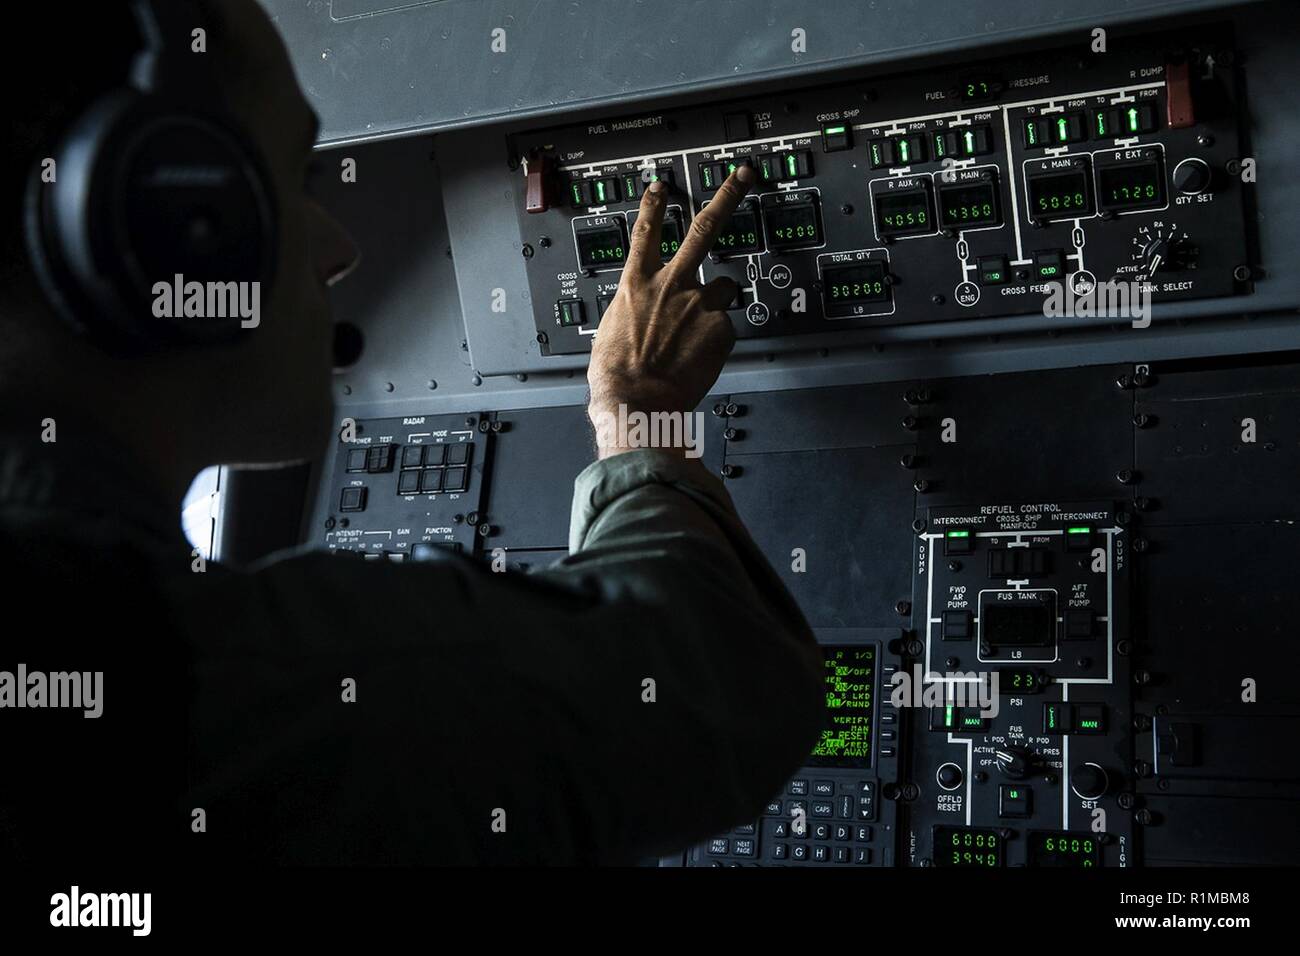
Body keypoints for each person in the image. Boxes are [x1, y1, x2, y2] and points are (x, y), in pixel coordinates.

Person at [0, 0, 823, 865]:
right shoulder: (200, 678)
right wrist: (639, 409)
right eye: (295, 181)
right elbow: (716, 681)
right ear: (172, 224)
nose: (342, 250)